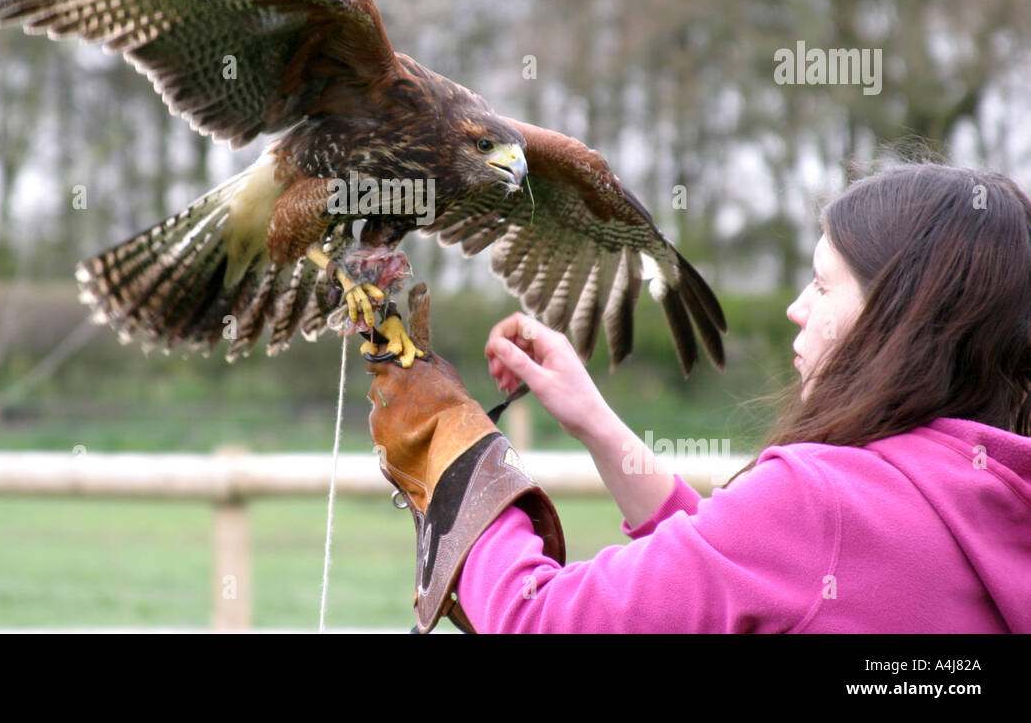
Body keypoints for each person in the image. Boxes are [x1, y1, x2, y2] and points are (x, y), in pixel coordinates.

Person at [366, 163, 1031, 632]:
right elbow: (751, 577)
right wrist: (601, 428)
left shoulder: (821, 504)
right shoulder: (990, 501)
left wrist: (458, 455)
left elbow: (538, 622)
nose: (798, 309)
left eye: (824, 286)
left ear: (899, 316)